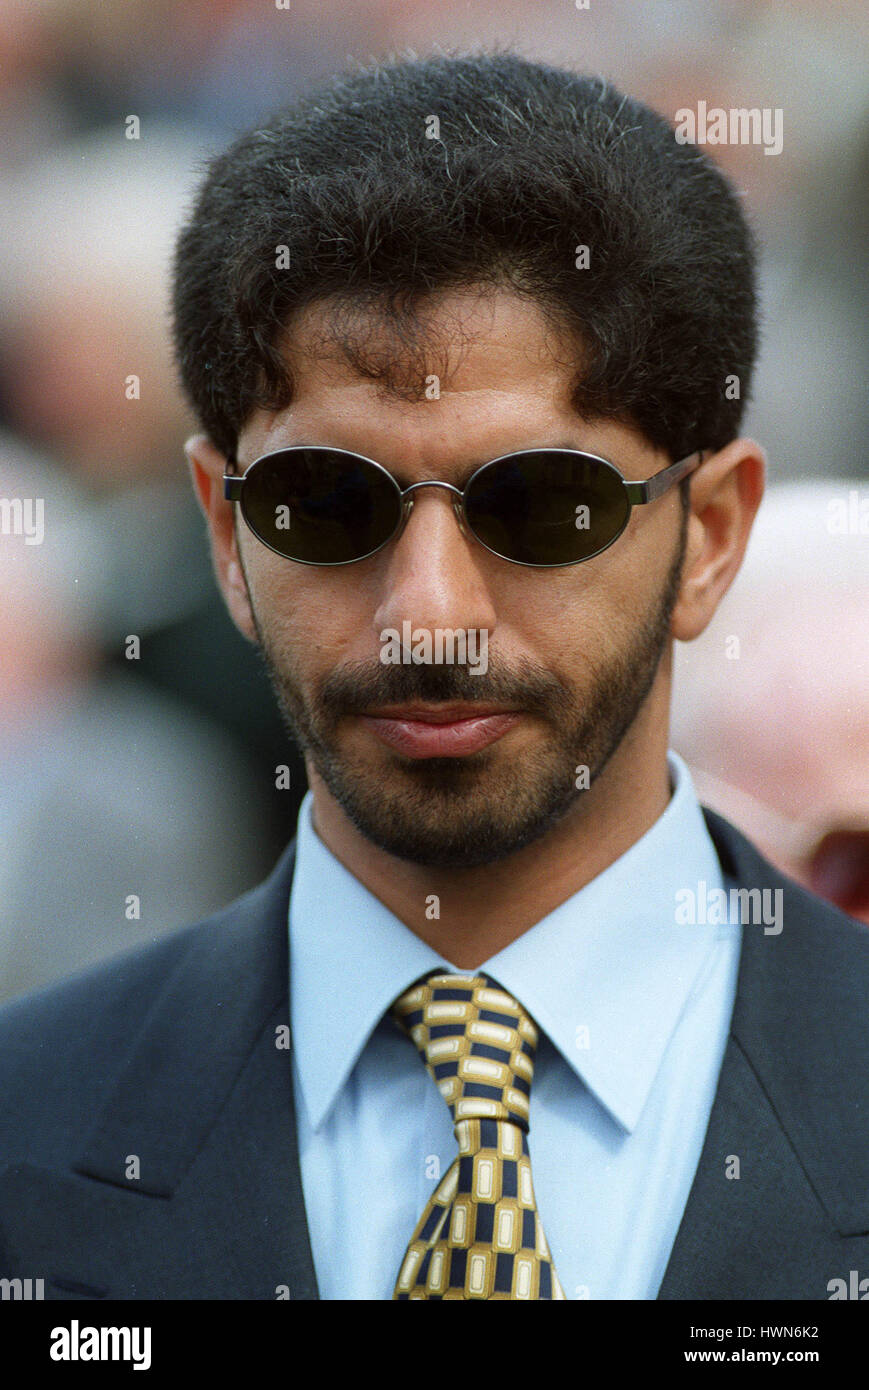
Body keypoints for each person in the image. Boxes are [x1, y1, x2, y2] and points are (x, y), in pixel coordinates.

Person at [0, 52, 866, 1302]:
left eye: (540, 506)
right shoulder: (32, 1125)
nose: (428, 616)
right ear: (220, 534)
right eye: (324, 504)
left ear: (710, 536)